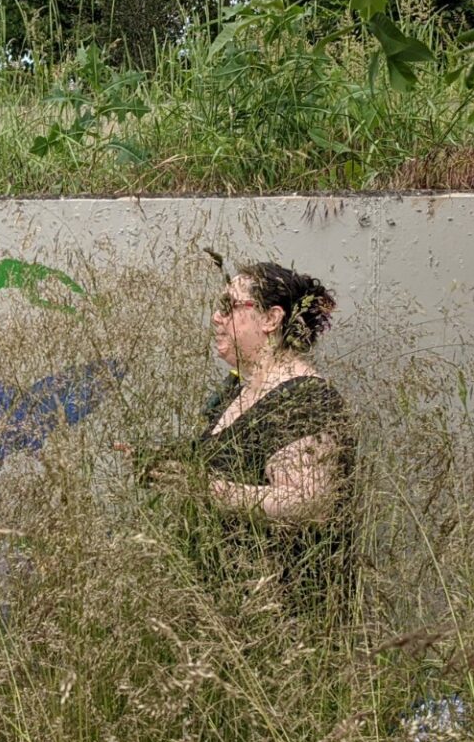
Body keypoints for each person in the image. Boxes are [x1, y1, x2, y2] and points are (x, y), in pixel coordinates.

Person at [141, 261, 356, 614]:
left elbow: (308, 502)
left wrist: (205, 489)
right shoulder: (239, 390)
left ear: (271, 319)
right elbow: (230, 463)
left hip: (283, 615)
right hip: (231, 608)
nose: (215, 317)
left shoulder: (305, 400)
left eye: (228, 307)